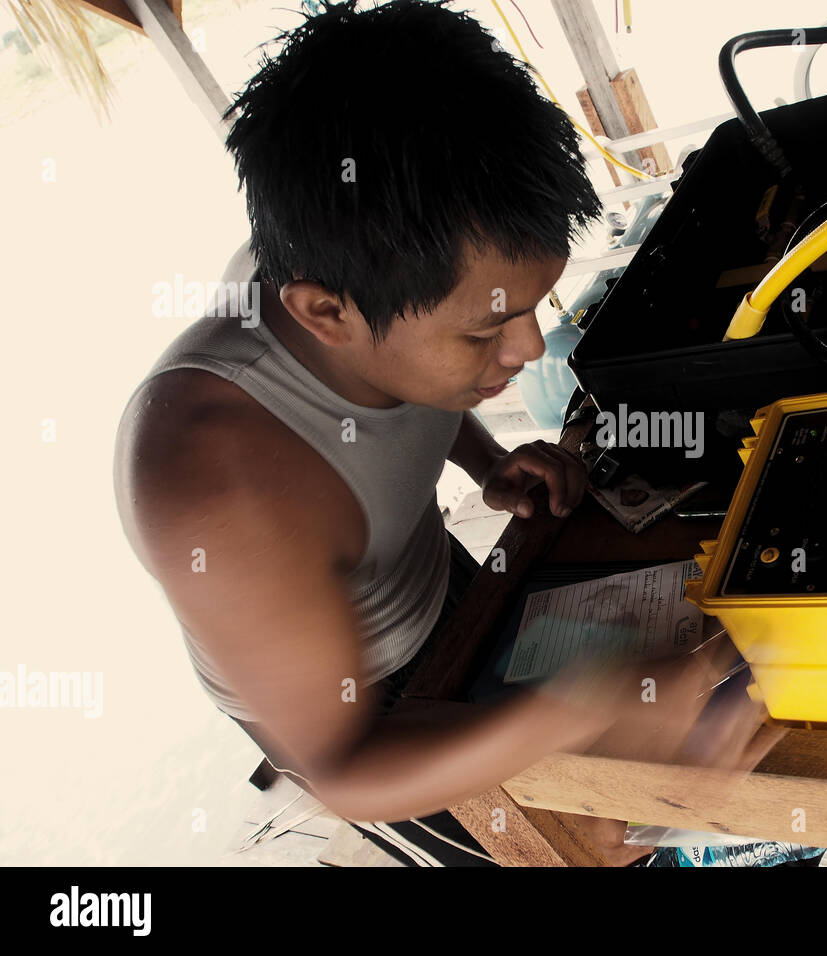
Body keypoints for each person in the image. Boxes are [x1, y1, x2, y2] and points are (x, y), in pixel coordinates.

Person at [112, 0, 768, 864]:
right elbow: (344, 776)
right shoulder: (215, 494)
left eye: (533, 309)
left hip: (431, 580)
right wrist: (582, 709)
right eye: (484, 333)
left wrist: (485, 458)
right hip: (364, 713)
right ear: (324, 312)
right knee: (577, 850)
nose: (530, 347)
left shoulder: (355, 248)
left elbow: (389, 383)